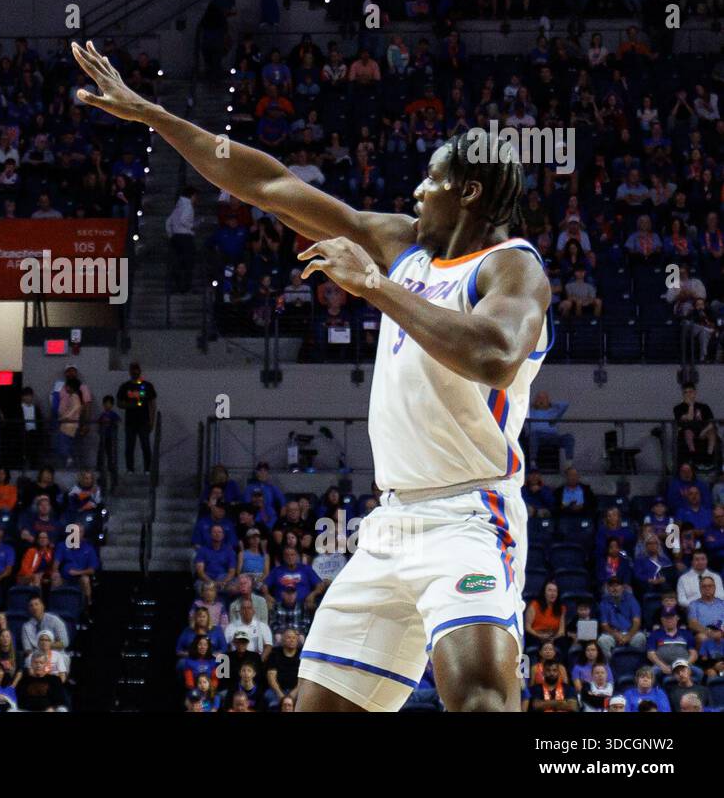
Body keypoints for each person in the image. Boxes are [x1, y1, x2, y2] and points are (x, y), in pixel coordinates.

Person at [70, 39, 551, 712]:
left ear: (469, 192)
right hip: (393, 522)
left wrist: (375, 288)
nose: (417, 190)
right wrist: (156, 115)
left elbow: (496, 357)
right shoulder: (403, 243)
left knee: (479, 703)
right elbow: (269, 185)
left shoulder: (511, 266)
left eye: (433, 180)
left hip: (471, 515)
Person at [116, 362, 157, 473]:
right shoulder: (125, 386)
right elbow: (119, 403)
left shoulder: (147, 386)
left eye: (136, 369)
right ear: (129, 371)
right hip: (130, 422)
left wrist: (152, 421)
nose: (135, 371)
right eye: (132, 369)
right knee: (129, 446)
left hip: (144, 421)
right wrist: (130, 405)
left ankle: (147, 469)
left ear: (140, 370)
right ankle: (130, 469)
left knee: (146, 445)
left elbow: (152, 405)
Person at [526, 390, 575, 468]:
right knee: (533, 435)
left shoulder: (553, 412)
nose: (541, 400)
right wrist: (533, 404)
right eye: (539, 398)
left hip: (553, 436)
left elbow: (565, 405)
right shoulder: (530, 412)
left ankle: (569, 464)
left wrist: (551, 404)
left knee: (569, 437)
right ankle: (533, 463)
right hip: (538, 436)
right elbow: (520, 407)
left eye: (544, 398)